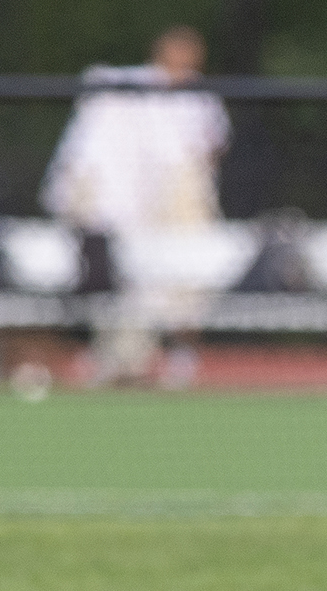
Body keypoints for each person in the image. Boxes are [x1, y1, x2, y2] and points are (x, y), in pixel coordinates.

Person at [40, 25, 230, 387]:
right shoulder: (124, 90)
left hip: (173, 210)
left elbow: (211, 147)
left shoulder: (199, 96)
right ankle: (120, 357)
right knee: (120, 282)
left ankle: (178, 356)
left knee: (182, 280)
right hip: (127, 209)